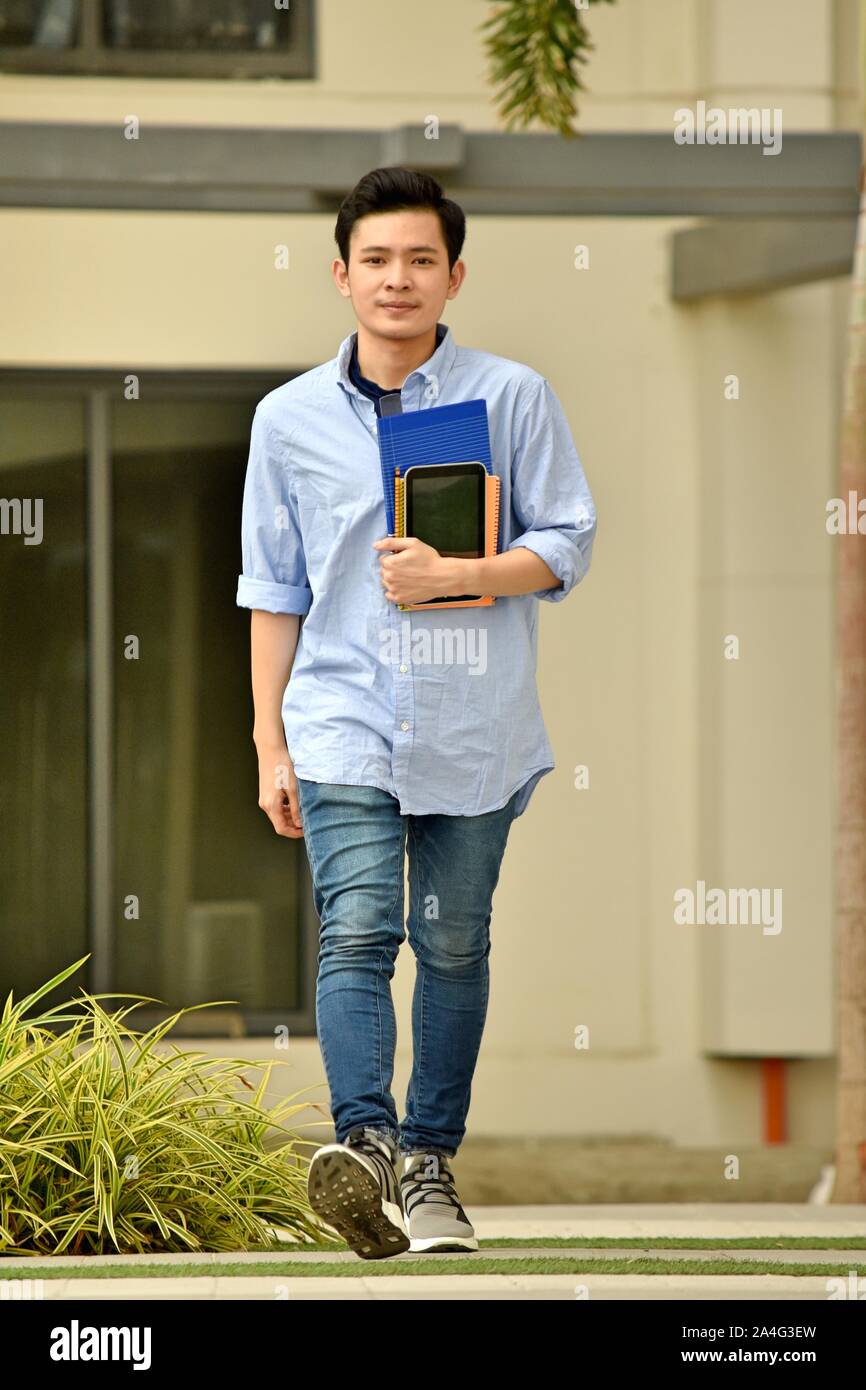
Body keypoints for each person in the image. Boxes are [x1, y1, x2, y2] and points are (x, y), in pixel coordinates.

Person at [236, 165, 597, 1260]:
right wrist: (269, 742)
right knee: (356, 928)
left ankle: (433, 1163)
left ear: (453, 277)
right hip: (340, 710)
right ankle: (367, 1148)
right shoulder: (286, 418)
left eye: (421, 260)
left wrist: (460, 573)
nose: (398, 280)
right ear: (342, 276)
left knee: (452, 941)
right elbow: (272, 587)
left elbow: (567, 542)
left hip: (473, 718)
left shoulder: (513, 396)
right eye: (377, 260)